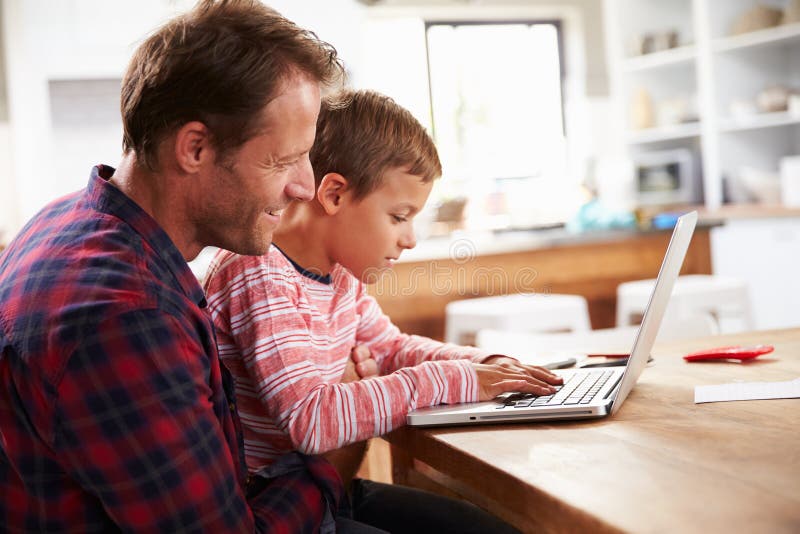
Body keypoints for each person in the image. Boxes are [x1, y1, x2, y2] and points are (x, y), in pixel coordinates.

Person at [0, 1, 350, 532]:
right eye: (282, 161)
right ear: (195, 148)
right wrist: (314, 472)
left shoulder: (66, 220)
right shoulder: (127, 319)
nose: (305, 186)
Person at [203, 89, 563, 533]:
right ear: (333, 194)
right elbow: (311, 418)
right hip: (277, 509)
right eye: (399, 217)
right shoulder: (257, 272)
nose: (410, 239)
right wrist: (455, 379)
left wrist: (484, 366)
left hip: (323, 489)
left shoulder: (339, 275)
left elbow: (390, 349)